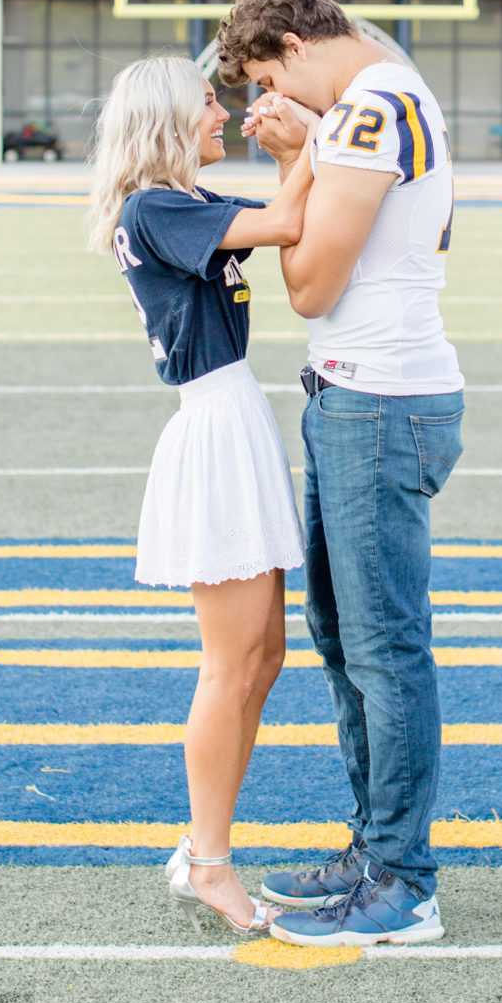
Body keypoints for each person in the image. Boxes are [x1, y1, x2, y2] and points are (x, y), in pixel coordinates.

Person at [216, 0, 465, 948]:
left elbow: (310, 283)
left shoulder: (367, 109)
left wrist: (299, 157)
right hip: (360, 394)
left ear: (288, 48)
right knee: (344, 633)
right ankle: (376, 847)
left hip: (376, 395)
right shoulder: (381, 86)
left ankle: (402, 878)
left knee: (383, 645)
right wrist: (309, 133)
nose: (266, 103)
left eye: (265, 79)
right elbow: (352, 44)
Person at [86, 55, 314, 937]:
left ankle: (199, 847)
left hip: (235, 416)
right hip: (213, 428)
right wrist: (305, 141)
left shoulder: (180, 205)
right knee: (230, 667)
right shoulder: (157, 206)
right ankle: (209, 861)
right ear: (167, 121)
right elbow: (292, 219)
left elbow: (283, 219)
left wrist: (296, 148)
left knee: (263, 661)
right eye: (209, 107)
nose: (224, 116)